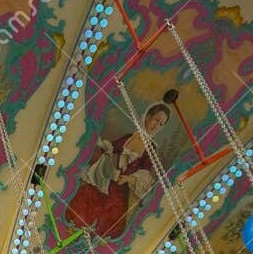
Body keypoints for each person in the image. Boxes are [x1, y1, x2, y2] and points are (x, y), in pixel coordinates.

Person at [66, 95, 177, 241]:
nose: (156, 125)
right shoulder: (129, 137)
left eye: (161, 124)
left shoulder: (150, 150)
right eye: (156, 120)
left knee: (111, 212)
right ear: (148, 117)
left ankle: (91, 239)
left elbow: (144, 175)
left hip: (121, 191)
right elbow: (111, 148)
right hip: (107, 181)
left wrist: (128, 178)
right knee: (87, 193)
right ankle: (73, 229)